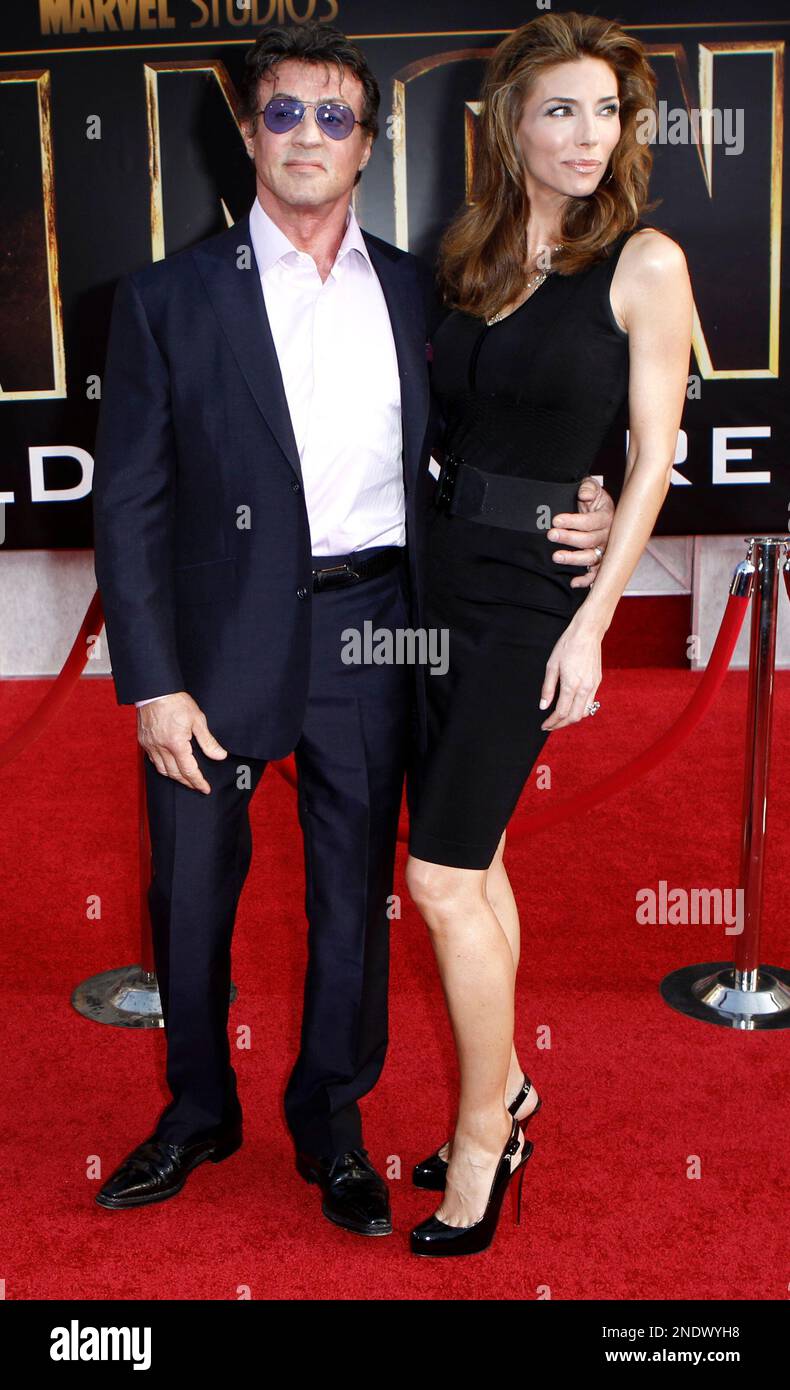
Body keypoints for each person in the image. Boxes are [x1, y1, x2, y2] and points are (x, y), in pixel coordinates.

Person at [90, 21, 615, 1236]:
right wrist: (152, 683)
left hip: (381, 625)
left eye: (335, 117)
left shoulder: (421, 287)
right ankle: (195, 1110)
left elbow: (509, 420)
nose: (308, 136)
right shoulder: (166, 300)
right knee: (191, 894)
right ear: (251, 131)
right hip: (214, 646)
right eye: (285, 113)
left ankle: (332, 1123)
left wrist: (582, 500)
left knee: (352, 901)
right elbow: (129, 502)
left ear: (368, 144)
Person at [404, 11, 694, 1258]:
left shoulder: (643, 262)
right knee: (483, 863)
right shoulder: (466, 253)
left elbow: (647, 459)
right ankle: (507, 1085)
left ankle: (485, 1134)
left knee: (438, 879)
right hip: (432, 578)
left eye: (609, 111)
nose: (590, 135)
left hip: (534, 594)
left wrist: (595, 621)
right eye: (562, 109)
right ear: (511, 122)